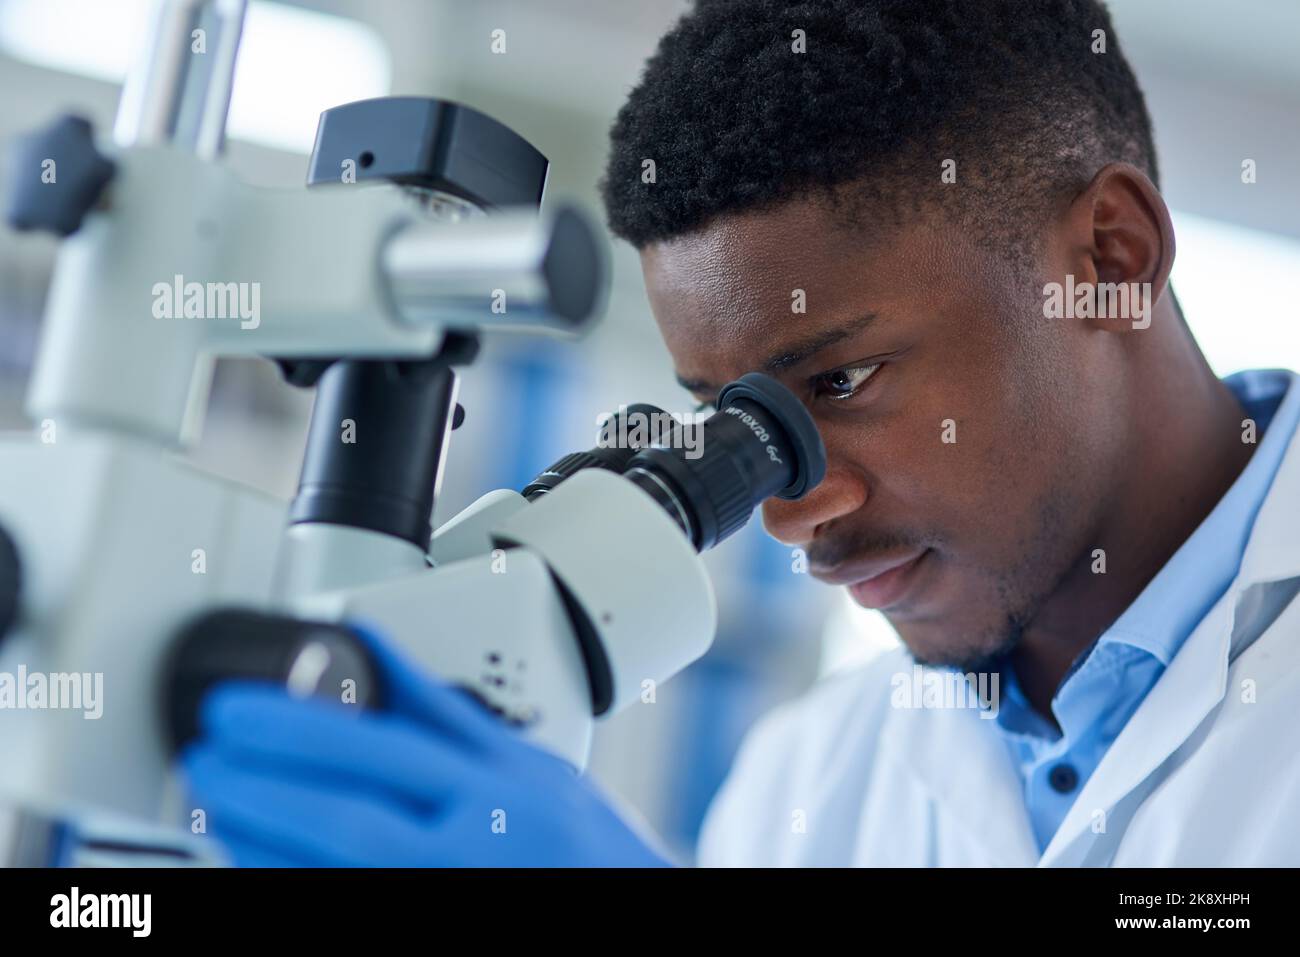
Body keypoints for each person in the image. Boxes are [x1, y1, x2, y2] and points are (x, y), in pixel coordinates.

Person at [182, 0, 1300, 866]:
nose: (786, 512)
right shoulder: (805, 780)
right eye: (731, 420)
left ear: (1107, 261)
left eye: (843, 378)